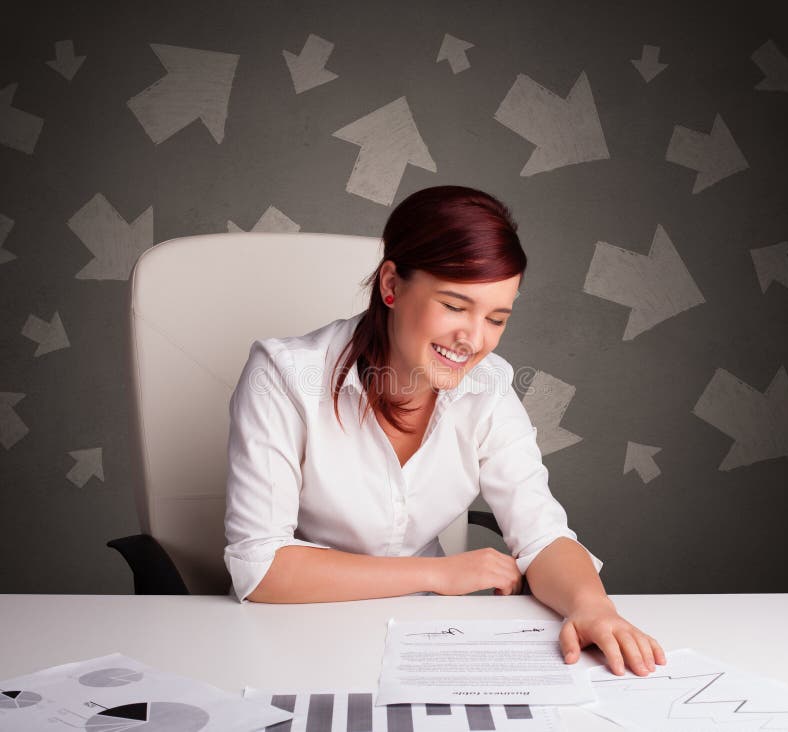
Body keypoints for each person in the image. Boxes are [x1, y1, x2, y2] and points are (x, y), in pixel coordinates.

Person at [224, 185, 666, 677]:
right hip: (292, 636)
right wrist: (438, 573)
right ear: (391, 285)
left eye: (496, 318)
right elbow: (260, 568)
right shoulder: (282, 375)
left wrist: (592, 607)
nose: (474, 340)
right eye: (455, 307)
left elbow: (543, 535)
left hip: (427, 636)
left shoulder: (490, 387)